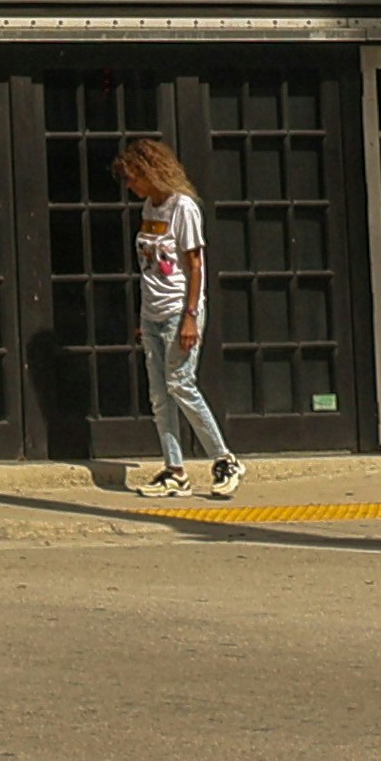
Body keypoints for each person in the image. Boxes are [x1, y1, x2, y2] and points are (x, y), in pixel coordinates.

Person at [119, 139, 243, 501]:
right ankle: (175, 470)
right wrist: (144, 315)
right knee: (160, 395)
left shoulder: (183, 208)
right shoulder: (149, 207)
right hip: (153, 310)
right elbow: (149, 267)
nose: (131, 186)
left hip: (178, 311)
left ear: (151, 171)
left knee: (181, 383)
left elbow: (194, 264)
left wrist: (190, 316)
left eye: (134, 177)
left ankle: (224, 459)